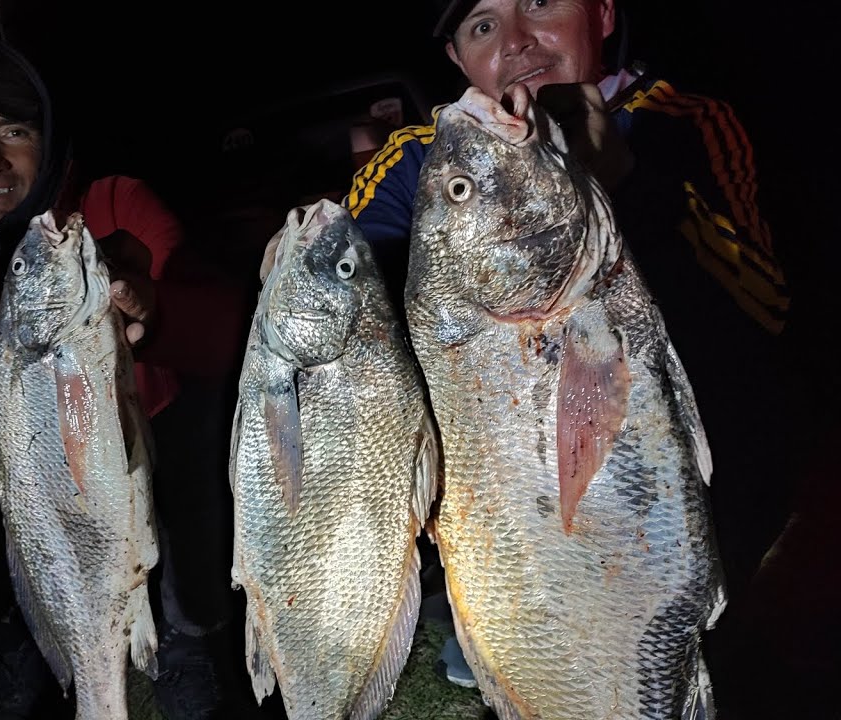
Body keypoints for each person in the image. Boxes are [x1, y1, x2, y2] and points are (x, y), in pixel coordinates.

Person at [263, 0, 795, 697]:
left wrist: (631, 186)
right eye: (482, 25)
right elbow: (348, 298)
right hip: (511, 539)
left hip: (699, 515)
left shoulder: (681, 118)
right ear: (457, 58)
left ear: (602, 13)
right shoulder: (425, 155)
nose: (516, 41)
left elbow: (771, 305)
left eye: (540, 2)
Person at [0, 36, 251, 719]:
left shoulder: (115, 206)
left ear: (49, 137)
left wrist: (154, 316)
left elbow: (226, 333)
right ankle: (18, 630)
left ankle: (183, 637)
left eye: (13, 131)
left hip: (140, 463)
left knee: (207, 430)